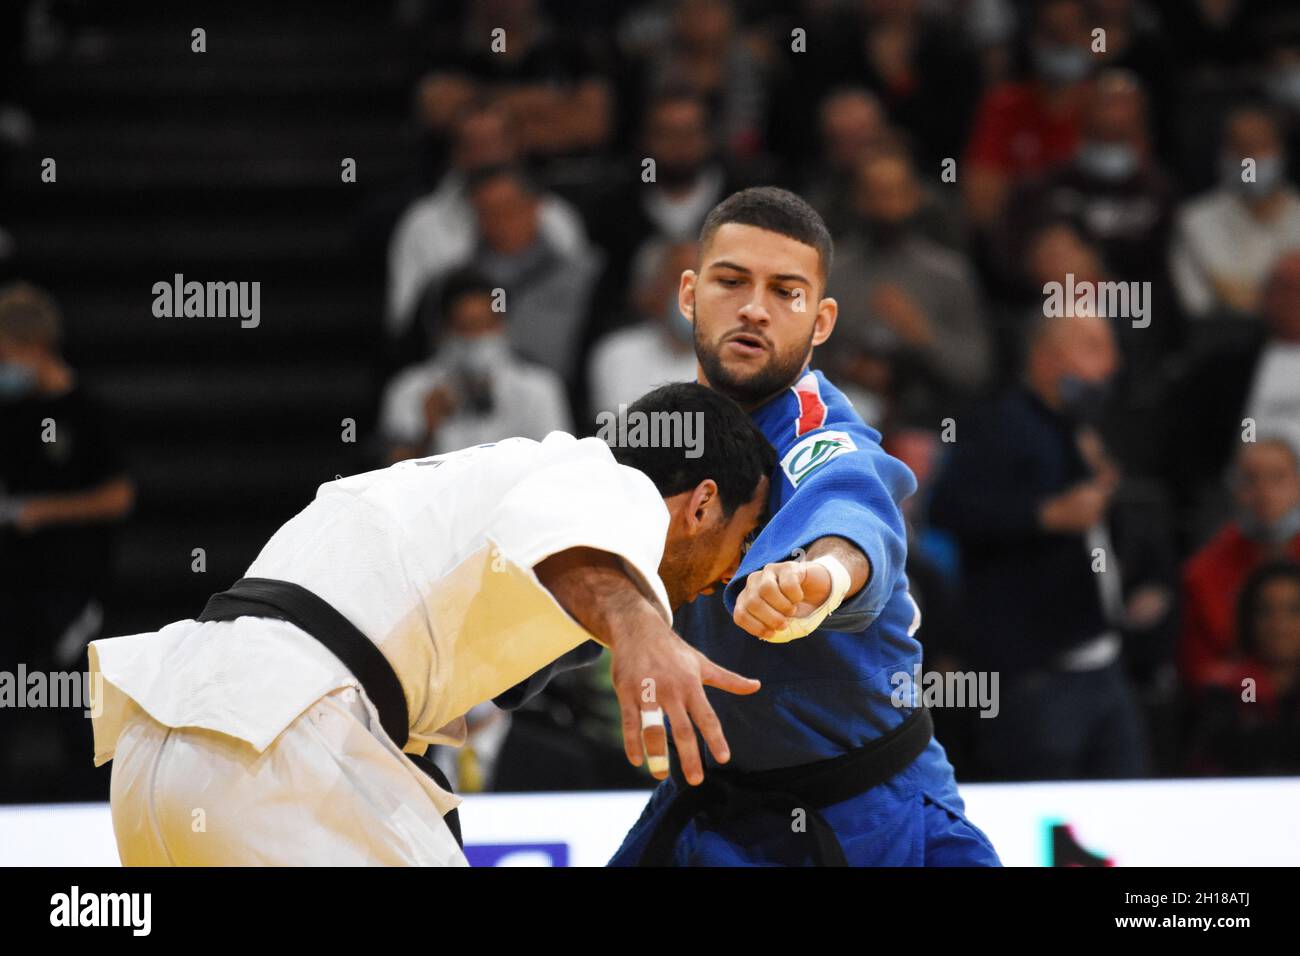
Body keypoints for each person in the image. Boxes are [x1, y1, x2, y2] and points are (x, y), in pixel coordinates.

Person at [88, 383, 773, 866]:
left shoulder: (486, 483)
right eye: (742, 544)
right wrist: (647, 635)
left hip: (160, 750)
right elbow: (578, 556)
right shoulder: (599, 477)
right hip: (275, 748)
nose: (727, 578)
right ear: (703, 503)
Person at [600, 187, 999, 866]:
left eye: (786, 291)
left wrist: (820, 576)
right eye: (732, 282)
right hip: (715, 810)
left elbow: (852, 512)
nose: (755, 307)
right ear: (689, 294)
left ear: (821, 322)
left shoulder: (822, 437)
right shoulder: (656, 435)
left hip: (868, 814)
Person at [929, 310, 1151, 781]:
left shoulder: (1085, 427)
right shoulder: (997, 424)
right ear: (1049, 356)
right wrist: (1045, 515)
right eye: (1093, 348)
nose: (1110, 364)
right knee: (1045, 823)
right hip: (1035, 674)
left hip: (1105, 661)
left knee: (1130, 811)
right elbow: (948, 508)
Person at [0, 282, 134, 797]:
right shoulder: (10, 414)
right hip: (13, 586)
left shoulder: (88, 413)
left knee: (78, 713)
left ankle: (92, 819)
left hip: (72, 587)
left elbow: (118, 496)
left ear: (34, 347)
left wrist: (40, 511)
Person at [380, 268, 571, 460]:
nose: (477, 337)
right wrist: (428, 430)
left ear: (502, 325)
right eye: (465, 327)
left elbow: (559, 465)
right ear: (442, 331)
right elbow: (389, 476)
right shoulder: (409, 390)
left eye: (486, 324)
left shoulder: (539, 389)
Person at [1181, 436, 1300, 689]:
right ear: (1234, 491)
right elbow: (1198, 669)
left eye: (1277, 477)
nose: (1265, 493)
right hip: (1242, 708)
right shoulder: (1202, 574)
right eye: (1251, 480)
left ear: (1298, 484)